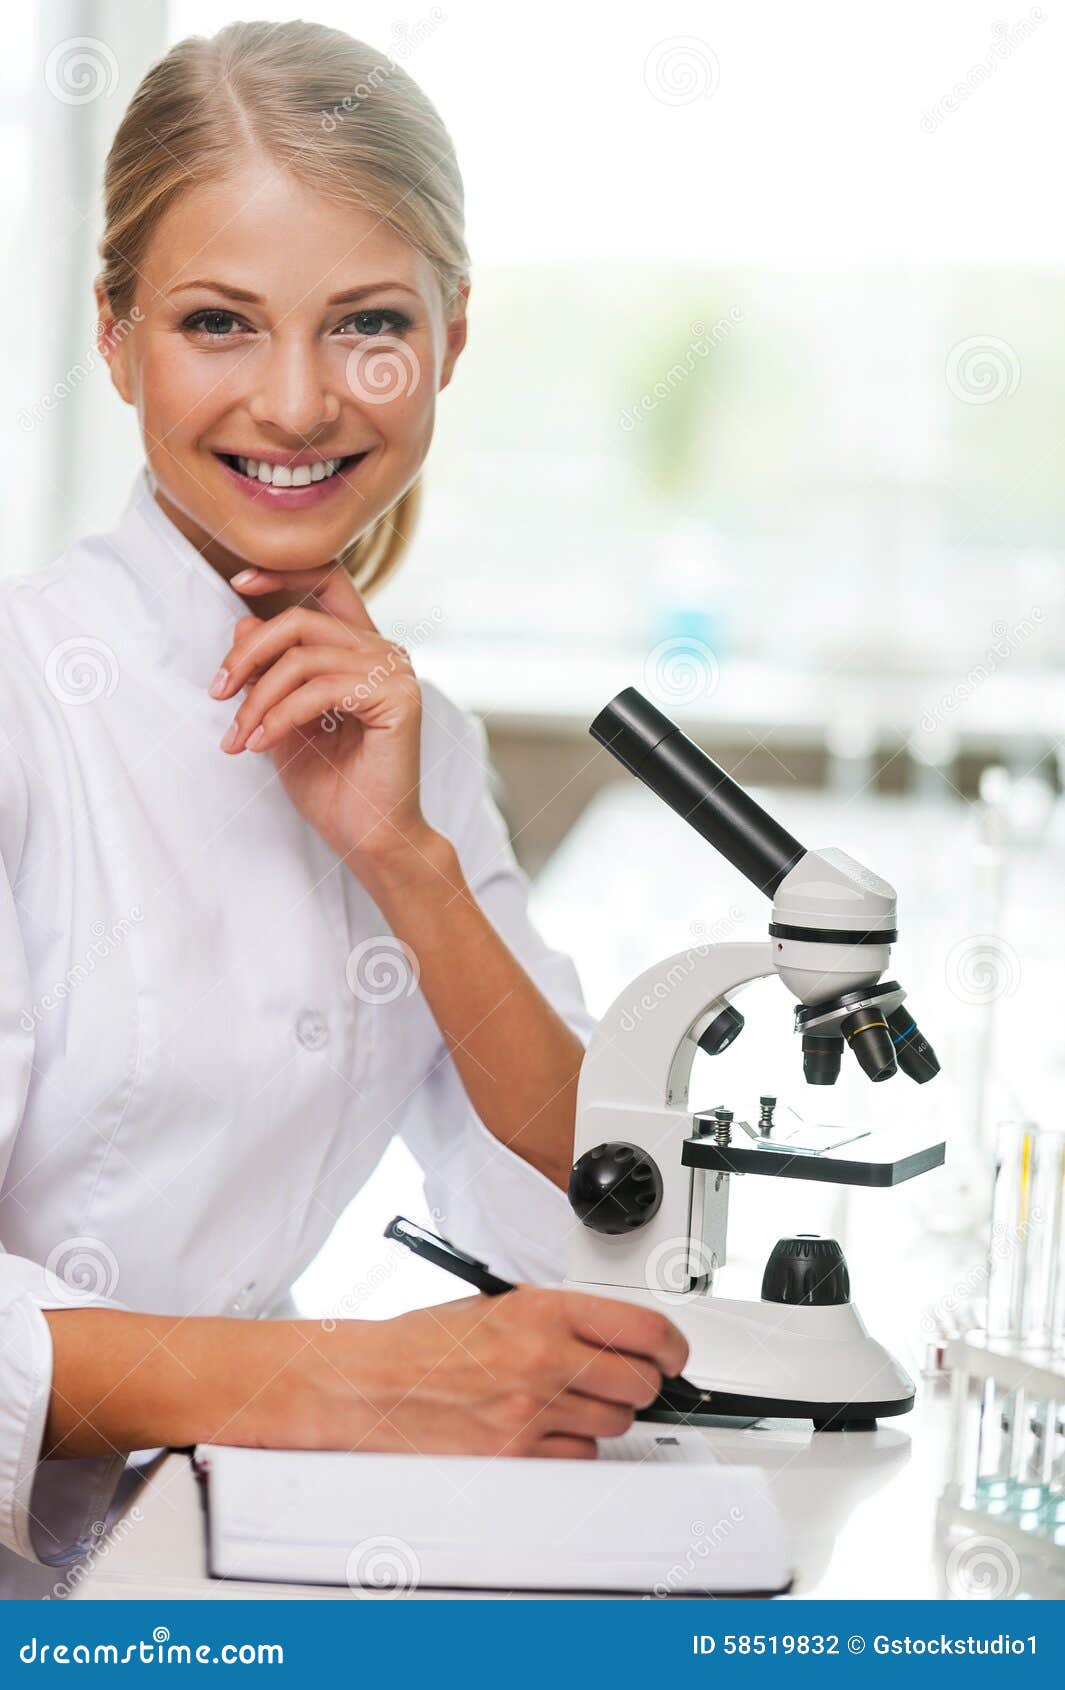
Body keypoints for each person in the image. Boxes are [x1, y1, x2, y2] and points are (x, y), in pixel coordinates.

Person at [0, 20, 687, 1595]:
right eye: (218, 323)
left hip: (219, 1556)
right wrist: (360, 1380)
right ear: (114, 338)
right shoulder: (25, 702)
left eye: (368, 323)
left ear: (448, 339)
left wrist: (405, 861)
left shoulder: (411, 741)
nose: (300, 402)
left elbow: (599, 1233)